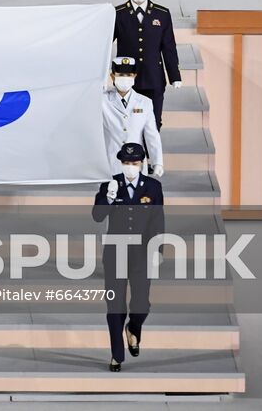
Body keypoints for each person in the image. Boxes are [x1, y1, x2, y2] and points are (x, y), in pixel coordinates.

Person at [92, 142, 165, 372]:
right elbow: (97, 216)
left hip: (142, 253)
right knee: (115, 306)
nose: (130, 167)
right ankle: (117, 355)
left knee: (141, 303)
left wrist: (158, 250)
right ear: (121, 163)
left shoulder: (153, 187)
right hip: (116, 252)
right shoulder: (110, 184)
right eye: (126, 163)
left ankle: (133, 328)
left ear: (142, 163)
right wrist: (109, 198)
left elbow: (157, 220)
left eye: (134, 163)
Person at [112, 0, 181, 130]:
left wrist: (174, 75)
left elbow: (168, 46)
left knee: (153, 122)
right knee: (126, 123)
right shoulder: (118, 14)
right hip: (126, 79)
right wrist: (102, 73)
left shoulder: (161, 14)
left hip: (154, 78)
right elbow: (106, 43)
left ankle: (150, 154)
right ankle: (130, 155)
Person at [102, 57, 164, 177]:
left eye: (128, 74)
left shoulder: (145, 102)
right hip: (111, 164)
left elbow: (151, 134)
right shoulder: (103, 100)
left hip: (137, 163)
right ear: (112, 76)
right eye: (121, 74)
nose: (125, 78)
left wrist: (157, 162)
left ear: (134, 76)